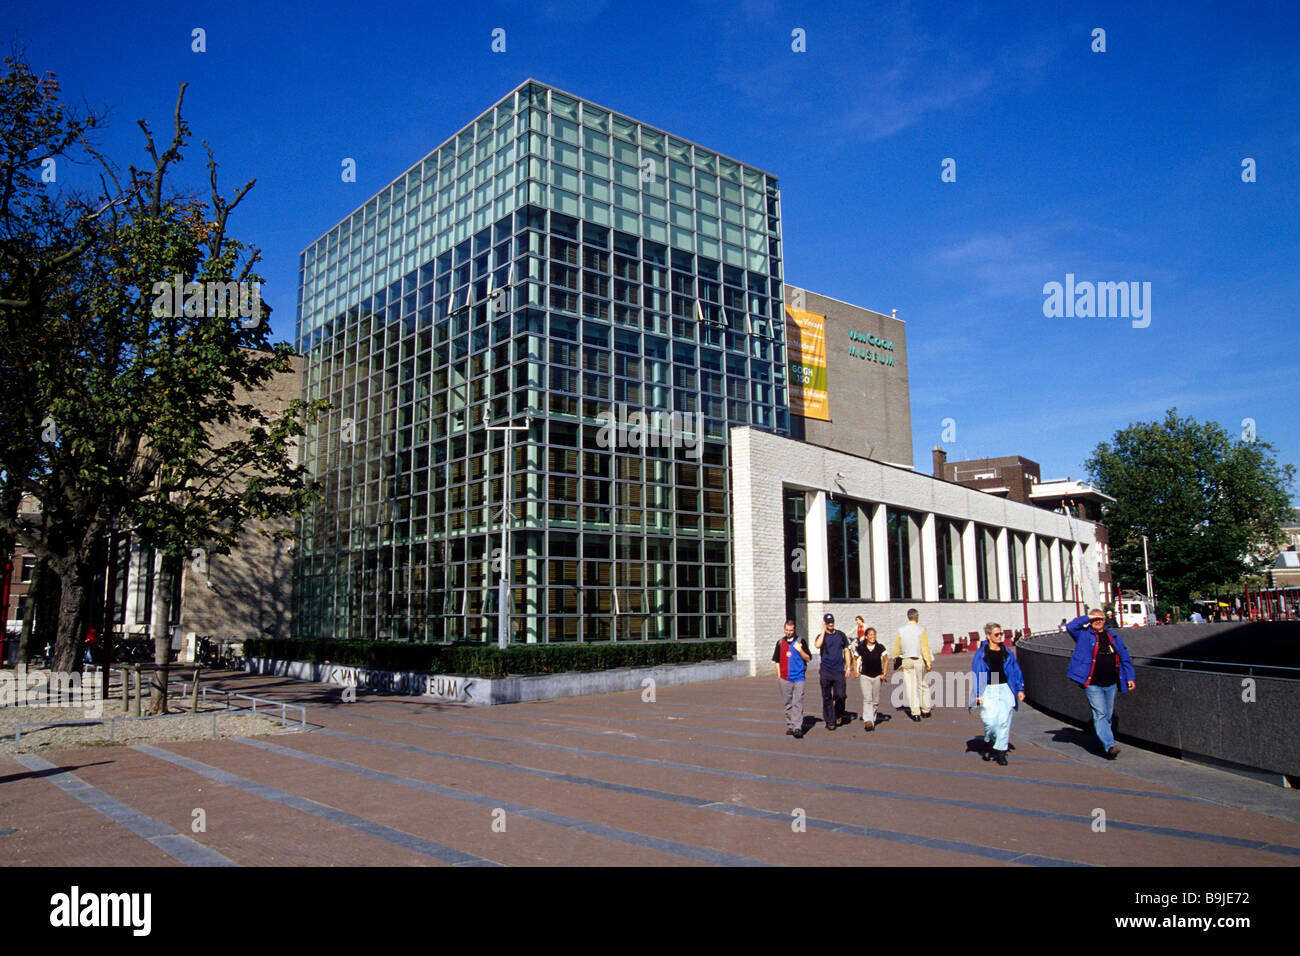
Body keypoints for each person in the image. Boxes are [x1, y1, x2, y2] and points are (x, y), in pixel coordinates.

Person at [1065, 609, 1137, 759]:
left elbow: (1124, 657)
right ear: (1090, 620)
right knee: (1100, 713)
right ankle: (1110, 745)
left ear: (1105, 620)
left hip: (1111, 682)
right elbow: (1071, 626)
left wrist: (1130, 677)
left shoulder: (1113, 636)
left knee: (1107, 715)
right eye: (1095, 619)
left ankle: (1100, 743)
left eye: (1101, 619)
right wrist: (1088, 616)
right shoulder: (1083, 635)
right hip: (1092, 683)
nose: (1098, 621)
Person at [970, 622, 1025, 765]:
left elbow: (1016, 670)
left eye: (1001, 634)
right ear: (988, 636)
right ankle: (989, 741)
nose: (1000, 636)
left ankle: (1001, 752)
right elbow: (977, 674)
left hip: (1005, 687)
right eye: (997, 634)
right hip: (988, 688)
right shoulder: (981, 654)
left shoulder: (1007, 652)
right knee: (990, 722)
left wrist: (1020, 689)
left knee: (1004, 721)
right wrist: (978, 694)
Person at [891, 608, 933, 721]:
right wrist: (928, 662)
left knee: (911, 687)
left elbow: (897, 647)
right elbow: (924, 647)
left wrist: (896, 659)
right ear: (916, 617)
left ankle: (915, 713)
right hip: (918, 659)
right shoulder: (921, 629)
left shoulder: (901, 630)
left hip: (906, 660)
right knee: (923, 684)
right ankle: (926, 710)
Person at [772, 620, 812, 738]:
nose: (788, 632)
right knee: (787, 703)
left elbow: (808, 658)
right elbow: (777, 661)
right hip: (785, 678)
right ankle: (791, 725)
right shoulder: (780, 642)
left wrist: (800, 650)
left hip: (799, 677)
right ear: (784, 629)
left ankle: (797, 727)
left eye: (791, 630)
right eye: (787, 630)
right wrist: (779, 676)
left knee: (798, 702)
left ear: (794, 630)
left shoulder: (800, 641)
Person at [814, 613, 851, 731]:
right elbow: (817, 645)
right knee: (827, 697)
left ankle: (838, 713)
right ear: (825, 623)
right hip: (826, 671)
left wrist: (848, 667)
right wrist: (823, 631)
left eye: (832, 622)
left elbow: (846, 650)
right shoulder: (821, 636)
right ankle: (830, 721)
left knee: (841, 695)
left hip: (839, 670)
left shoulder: (841, 635)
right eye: (828, 622)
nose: (831, 624)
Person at [854, 626, 889, 731]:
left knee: (875, 700)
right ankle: (868, 721)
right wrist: (855, 671)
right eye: (871, 635)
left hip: (877, 676)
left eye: (874, 634)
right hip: (865, 676)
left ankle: (872, 719)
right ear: (866, 636)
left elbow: (886, 660)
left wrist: (884, 673)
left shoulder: (880, 647)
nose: (873, 636)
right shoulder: (861, 648)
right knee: (867, 699)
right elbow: (855, 659)